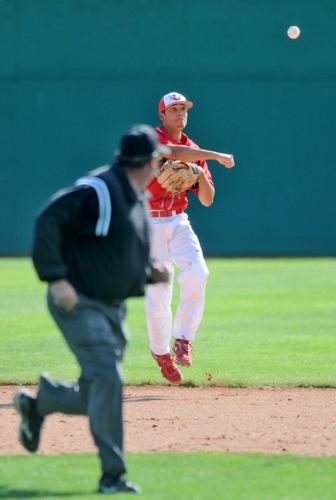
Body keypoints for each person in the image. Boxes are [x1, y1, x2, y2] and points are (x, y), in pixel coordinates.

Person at [13, 124, 171, 495]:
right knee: (108, 378)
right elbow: (47, 219)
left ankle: (40, 404)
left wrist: (149, 273)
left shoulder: (136, 197)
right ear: (151, 161)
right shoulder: (99, 188)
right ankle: (112, 475)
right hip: (77, 302)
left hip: (110, 308)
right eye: (158, 159)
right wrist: (55, 278)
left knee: (99, 390)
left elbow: (115, 251)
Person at [146, 91, 235, 384]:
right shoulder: (153, 139)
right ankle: (160, 354)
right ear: (162, 115)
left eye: (184, 108)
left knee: (198, 272)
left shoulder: (193, 149)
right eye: (174, 109)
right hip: (148, 224)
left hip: (178, 221)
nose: (180, 113)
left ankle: (184, 339)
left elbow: (208, 199)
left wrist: (199, 173)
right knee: (159, 291)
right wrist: (214, 155)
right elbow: (171, 152)